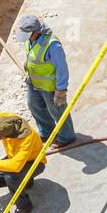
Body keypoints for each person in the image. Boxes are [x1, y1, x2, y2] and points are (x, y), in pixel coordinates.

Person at [16, 13, 76, 146]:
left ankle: (67, 136)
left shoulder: (52, 45)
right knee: (34, 106)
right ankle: (47, 132)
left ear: (35, 32)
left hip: (50, 87)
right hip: (33, 82)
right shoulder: (31, 40)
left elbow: (62, 68)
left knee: (58, 111)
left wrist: (61, 90)